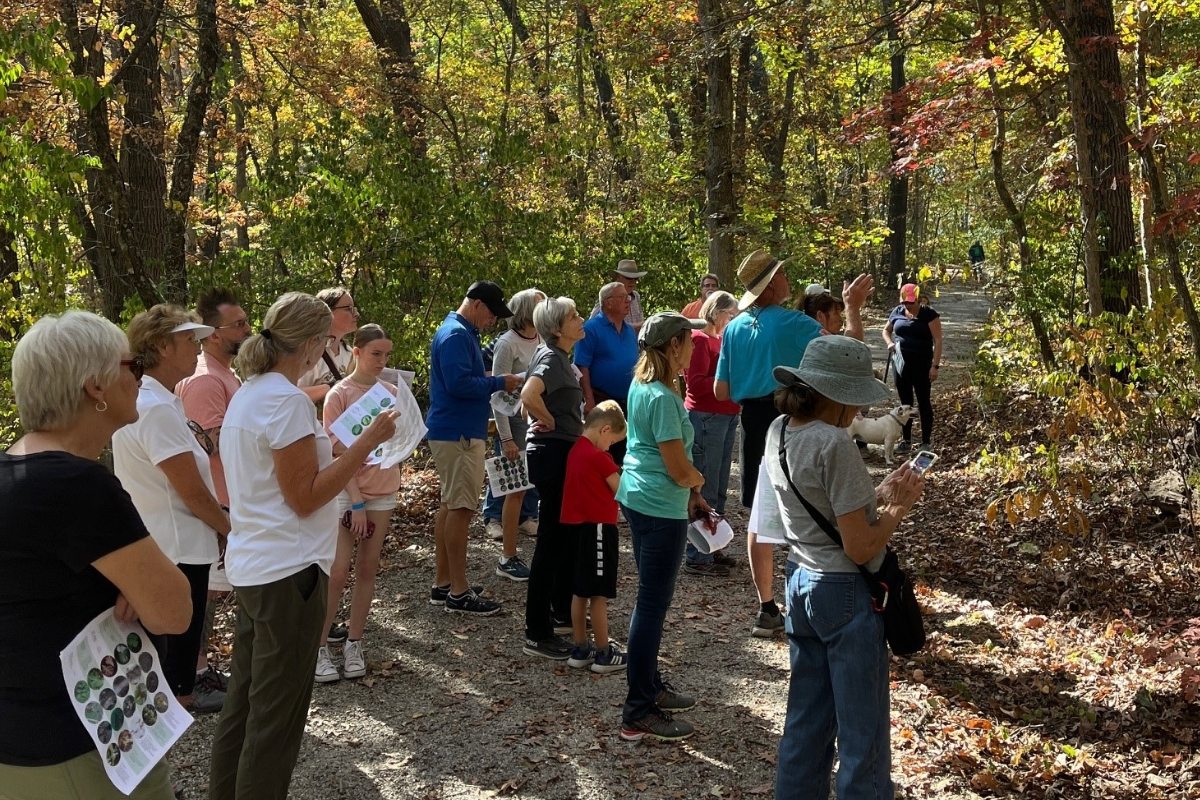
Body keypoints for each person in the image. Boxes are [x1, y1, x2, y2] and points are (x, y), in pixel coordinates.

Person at [209, 292, 397, 800]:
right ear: (314, 344)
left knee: (245, 706)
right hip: (287, 573)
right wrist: (366, 441)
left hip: (258, 563)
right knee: (276, 719)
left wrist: (337, 449)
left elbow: (286, 481)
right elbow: (305, 496)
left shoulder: (252, 391)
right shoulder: (285, 400)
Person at [0, 311, 190, 799]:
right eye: (131, 366)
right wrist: (131, 585)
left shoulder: (13, 474)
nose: (139, 376)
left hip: (22, 744)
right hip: (88, 751)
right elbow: (173, 610)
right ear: (95, 388)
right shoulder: (77, 487)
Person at [763, 336, 924, 800]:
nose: (858, 411)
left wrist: (878, 495)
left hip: (800, 582)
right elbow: (859, 546)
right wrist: (899, 507)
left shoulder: (778, 431)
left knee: (806, 724)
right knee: (864, 737)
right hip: (845, 593)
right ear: (832, 395)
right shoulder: (834, 443)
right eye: (853, 400)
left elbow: (818, 507)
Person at [715, 249, 872, 639]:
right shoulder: (794, 322)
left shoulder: (733, 328)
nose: (788, 278)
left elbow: (722, 390)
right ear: (771, 285)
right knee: (810, 505)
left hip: (753, 424)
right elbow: (847, 350)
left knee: (761, 514)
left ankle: (766, 607)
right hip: (794, 413)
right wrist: (853, 309)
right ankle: (810, 591)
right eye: (782, 273)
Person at [112, 305, 230, 715]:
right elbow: (193, 494)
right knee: (171, 681)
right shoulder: (156, 407)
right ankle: (164, 765)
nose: (197, 349)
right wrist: (231, 528)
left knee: (165, 666)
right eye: (188, 341)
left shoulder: (158, 400)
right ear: (161, 347)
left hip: (169, 546)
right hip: (175, 551)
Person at [617, 312, 709, 743]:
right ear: (674, 347)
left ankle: (650, 685)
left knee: (649, 603)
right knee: (651, 607)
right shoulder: (664, 397)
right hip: (657, 507)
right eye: (690, 342)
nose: (694, 349)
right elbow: (676, 467)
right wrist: (697, 481)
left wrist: (692, 494)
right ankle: (637, 710)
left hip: (639, 498)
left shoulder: (644, 386)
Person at [316, 324, 416, 683]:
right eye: (376, 353)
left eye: (387, 355)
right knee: (337, 571)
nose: (382, 361)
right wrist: (355, 501)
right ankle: (321, 645)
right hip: (346, 492)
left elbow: (399, 441)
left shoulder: (390, 392)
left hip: (383, 489)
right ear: (356, 352)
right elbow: (335, 451)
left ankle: (354, 642)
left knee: (368, 568)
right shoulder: (338, 394)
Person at [426, 281, 521, 615]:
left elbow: (463, 377)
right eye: (492, 314)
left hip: (456, 429)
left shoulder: (459, 332)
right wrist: (499, 382)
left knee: (451, 505)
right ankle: (459, 591)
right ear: (477, 304)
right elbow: (458, 384)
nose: (493, 321)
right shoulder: (455, 335)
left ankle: (443, 583)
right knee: (462, 509)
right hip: (459, 433)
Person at [175, 287, 250, 689]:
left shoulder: (225, 373)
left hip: (230, 501)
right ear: (213, 334)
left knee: (215, 592)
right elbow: (209, 444)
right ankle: (196, 671)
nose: (247, 329)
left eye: (245, 320)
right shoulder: (205, 381)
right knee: (205, 593)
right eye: (238, 324)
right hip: (218, 505)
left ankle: (200, 668)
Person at [520, 296, 587, 660]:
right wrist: (551, 421)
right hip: (552, 453)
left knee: (565, 535)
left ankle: (560, 613)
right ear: (556, 328)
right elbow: (528, 395)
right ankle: (537, 631)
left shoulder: (561, 359)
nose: (580, 321)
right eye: (573, 317)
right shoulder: (550, 358)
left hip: (560, 452)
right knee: (551, 541)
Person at [481, 288, 545, 580]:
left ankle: (520, 533)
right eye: (538, 306)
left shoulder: (542, 338)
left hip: (535, 423)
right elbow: (498, 393)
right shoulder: (507, 344)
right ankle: (507, 557)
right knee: (514, 489)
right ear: (523, 311)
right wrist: (505, 438)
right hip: (514, 426)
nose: (545, 309)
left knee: (528, 486)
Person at [562, 401, 628, 674]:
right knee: (599, 594)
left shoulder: (575, 450)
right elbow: (621, 490)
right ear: (605, 429)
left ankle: (580, 647)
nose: (610, 446)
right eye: (612, 441)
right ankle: (603, 652)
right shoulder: (599, 458)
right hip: (599, 529)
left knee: (580, 591)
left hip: (575, 529)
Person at [682, 290, 740, 576]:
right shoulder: (700, 339)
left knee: (719, 485)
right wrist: (729, 382)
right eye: (731, 314)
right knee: (704, 483)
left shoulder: (720, 339)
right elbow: (695, 383)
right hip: (707, 416)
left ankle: (713, 546)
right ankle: (696, 555)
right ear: (717, 312)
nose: (733, 320)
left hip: (728, 416)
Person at [575, 281, 639, 466]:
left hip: (627, 403)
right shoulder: (591, 329)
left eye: (628, 296)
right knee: (604, 455)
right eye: (622, 297)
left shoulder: (628, 330)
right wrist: (589, 401)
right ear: (608, 302)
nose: (628, 300)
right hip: (602, 401)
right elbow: (581, 366)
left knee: (626, 454)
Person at [883, 283, 943, 452]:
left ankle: (925, 442)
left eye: (910, 302)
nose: (907, 306)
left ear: (917, 299)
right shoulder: (897, 312)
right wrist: (889, 343)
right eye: (904, 303)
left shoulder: (929, 315)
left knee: (923, 402)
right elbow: (886, 331)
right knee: (905, 402)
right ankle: (906, 440)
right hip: (901, 364)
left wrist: (935, 366)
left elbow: (938, 341)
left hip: (922, 365)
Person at [297, 287, 361, 407]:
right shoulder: (308, 354)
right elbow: (290, 395)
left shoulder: (351, 354)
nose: (356, 314)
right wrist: (333, 387)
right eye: (349, 309)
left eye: (355, 309)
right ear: (327, 312)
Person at [590, 259, 647, 329]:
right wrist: (636, 326)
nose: (632, 281)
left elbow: (640, 320)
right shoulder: (608, 296)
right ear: (618, 277)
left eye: (635, 278)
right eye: (628, 278)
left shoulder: (636, 296)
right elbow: (593, 325)